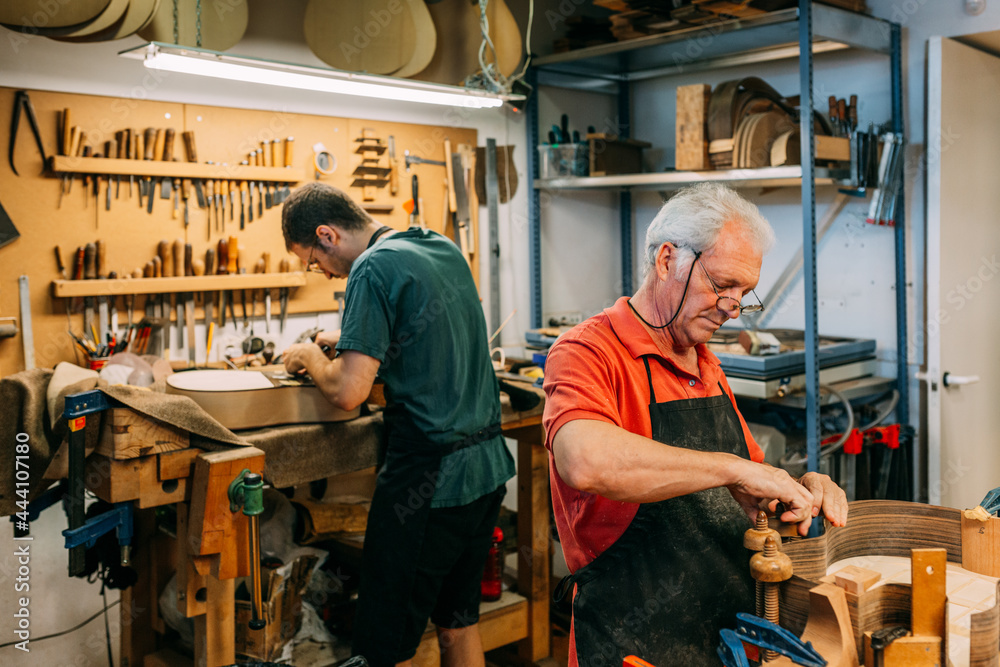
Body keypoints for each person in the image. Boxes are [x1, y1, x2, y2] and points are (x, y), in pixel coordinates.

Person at [542, 182, 849, 666]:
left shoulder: (705, 363)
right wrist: (733, 469)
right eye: (722, 285)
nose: (732, 306)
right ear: (668, 260)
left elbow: (749, 482)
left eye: (744, 294)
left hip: (722, 631)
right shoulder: (588, 351)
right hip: (635, 639)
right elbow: (585, 461)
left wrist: (797, 487)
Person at [280, 183, 515, 667]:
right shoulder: (437, 245)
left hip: (430, 483)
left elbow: (349, 393)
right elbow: (423, 337)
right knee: (458, 623)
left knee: (384, 645)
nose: (320, 273)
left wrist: (307, 354)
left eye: (312, 260)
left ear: (327, 235)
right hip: (486, 470)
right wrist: (347, 337)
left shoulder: (369, 267)